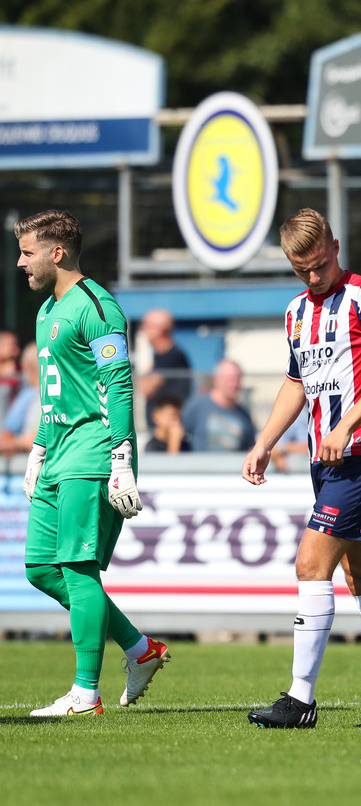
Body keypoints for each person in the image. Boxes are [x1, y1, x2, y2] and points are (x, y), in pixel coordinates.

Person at [243, 208, 361, 729]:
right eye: (302, 269)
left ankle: (300, 700)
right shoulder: (296, 311)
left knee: (310, 564)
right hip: (327, 461)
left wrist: (347, 424)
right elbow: (297, 383)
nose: (314, 277)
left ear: (336, 247)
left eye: (320, 265)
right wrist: (264, 442)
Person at [16, 210, 170, 716]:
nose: (20, 263)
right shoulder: (44, 313)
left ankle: (86, 693)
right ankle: (140, 649)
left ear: (56, 253)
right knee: (41, 569)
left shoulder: (98, 307)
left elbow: (119, 384)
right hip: (58, 452)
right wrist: (39, 445)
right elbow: (56, 391)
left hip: (94, 452)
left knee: (79, 569)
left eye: (27, 252)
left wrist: (121, 456)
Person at [182, 359, 256, 452]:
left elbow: (249, 446)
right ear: (216, 380)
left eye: (239, 379)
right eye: (230, 379)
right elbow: (180, 434)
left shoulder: (244, 414)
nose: (235, 384)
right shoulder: (197, 405)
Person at [137, 308, 192, 426]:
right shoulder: (159, 357)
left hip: (168, 430)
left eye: (147, 326)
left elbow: (147, 389)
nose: (143, 331)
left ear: (160, 330)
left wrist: (142, 354)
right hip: (157, 429)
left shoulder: (173, 356)